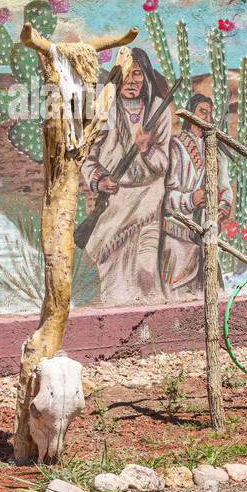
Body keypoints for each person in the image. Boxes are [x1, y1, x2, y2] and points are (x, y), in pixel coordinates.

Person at [80, 47, 172, 304]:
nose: (132, 81)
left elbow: (163, 164)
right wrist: (100, 180)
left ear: (146, 77)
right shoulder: (104, 109)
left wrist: (147, 149)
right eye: (126, 74)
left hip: (147, 199)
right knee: (112, 269)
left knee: (145, 270)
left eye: (138, 74)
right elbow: (87, 157)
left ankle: (152, 329)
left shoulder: (157, 109)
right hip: (114, 202)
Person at [160, 93, 232, 298]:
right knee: (178, 292)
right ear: (190, 115)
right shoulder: (176, 146)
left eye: (210, 114)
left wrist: (222, 208)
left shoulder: (215, 150)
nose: (207, 119)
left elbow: (225, 186)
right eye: (202, 112)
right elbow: (165, 196)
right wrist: (190, 200)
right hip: (179, 236)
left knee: (212, 288)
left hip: (205, 234)